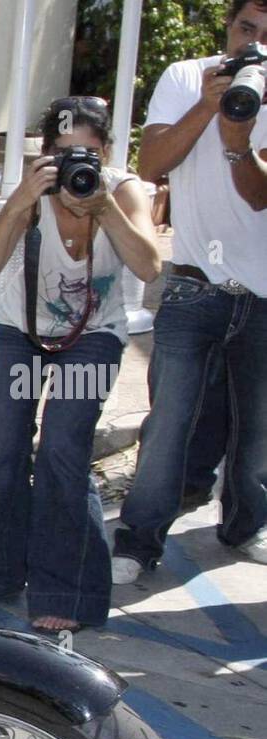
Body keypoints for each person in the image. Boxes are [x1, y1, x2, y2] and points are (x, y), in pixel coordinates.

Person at [0, 98, 161, 634]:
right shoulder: (32, 191)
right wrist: (21, 201)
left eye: (89, 154)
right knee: (1, 452)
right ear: (45, 155)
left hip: (93, 338)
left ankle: (69, 589)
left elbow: (149, 264)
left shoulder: (122, 190)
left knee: (61, 449)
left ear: (108, 153)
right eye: (63, 155)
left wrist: (104, 207)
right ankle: (12, 567)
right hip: (20, 331)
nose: (77, 167)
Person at [113, 0, 267, 581]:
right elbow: (151, 163)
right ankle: (137, 539)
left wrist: (236, 141)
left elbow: (258, 194)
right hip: (192, 287)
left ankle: (247, 525)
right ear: (227, 27)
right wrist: (210, 104)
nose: (254, 45)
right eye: (246, 30)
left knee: (257, 432)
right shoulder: (186, 77)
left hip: (263, 294)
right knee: (168, 422)